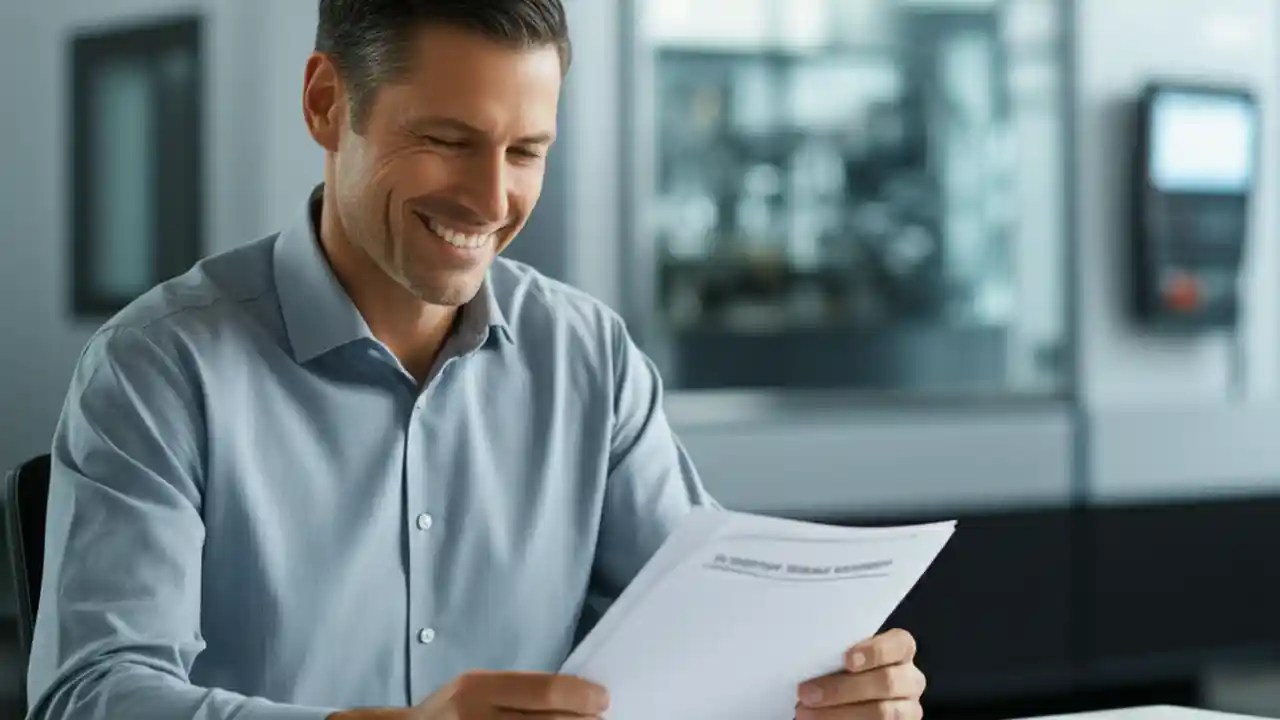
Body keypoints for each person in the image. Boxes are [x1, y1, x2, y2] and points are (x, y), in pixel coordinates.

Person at [27, 2, 929, 719]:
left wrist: (816, 690)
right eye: (448, 142)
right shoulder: (159, 367)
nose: (492, 201)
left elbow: (707, 632)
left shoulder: (589, 358)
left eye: (526, 152)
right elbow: (90, 696)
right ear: (327, 103)